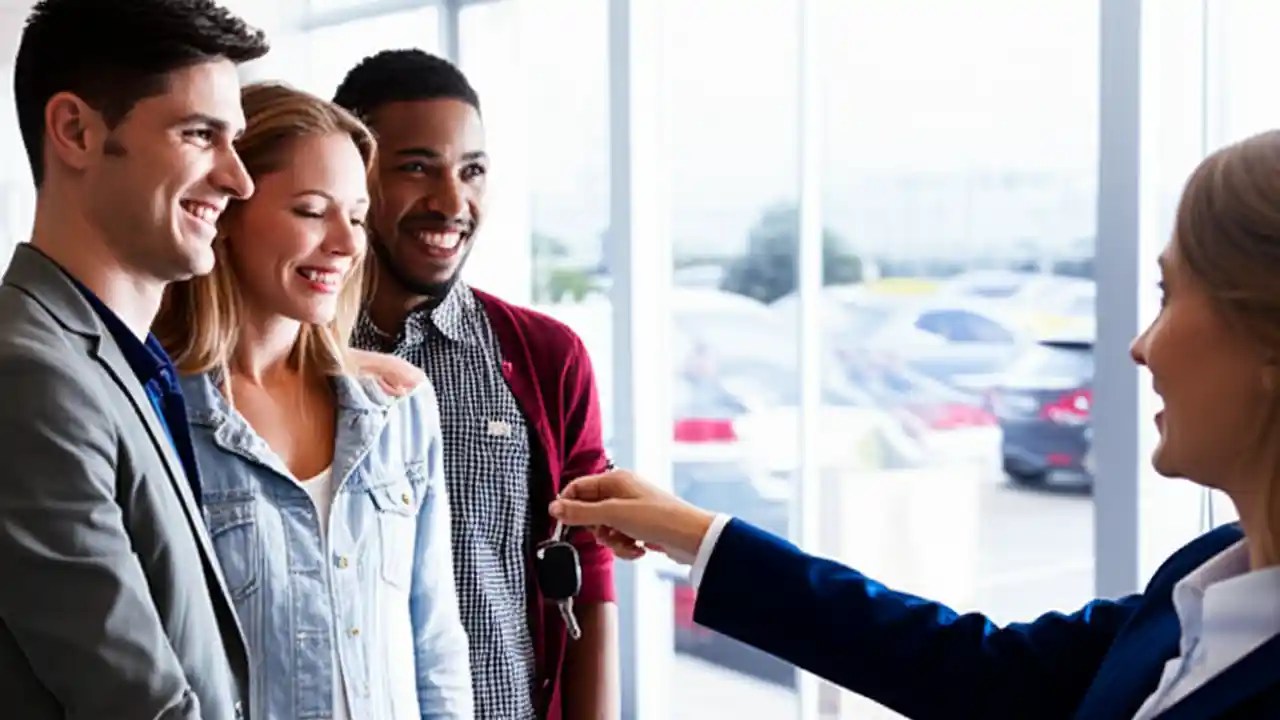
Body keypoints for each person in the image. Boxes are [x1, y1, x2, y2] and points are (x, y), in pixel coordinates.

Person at [549, 130, 1280, 719]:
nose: (1140, 345)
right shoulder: (1201, 577)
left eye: (1168, 293)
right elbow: (976, 671)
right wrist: (692, 532)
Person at [153, 81, 474, 720]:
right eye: (310, 211)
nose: (349, 244)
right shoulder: (157, 416)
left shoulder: (398, 409)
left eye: (355, 216)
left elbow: (435, 646)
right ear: (225, 213)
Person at [332, 50, 619, 720]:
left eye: (472, 172)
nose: (452, 202)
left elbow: (588, 565)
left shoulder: (547, 358)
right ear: (352, 174)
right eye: (416, 167)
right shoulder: (290, 355)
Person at [0, 1, 266, 717]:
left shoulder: (128, 367)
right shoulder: (29, 375)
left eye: (234, 140)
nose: (238, 180)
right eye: (199, 134)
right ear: (76, 131)